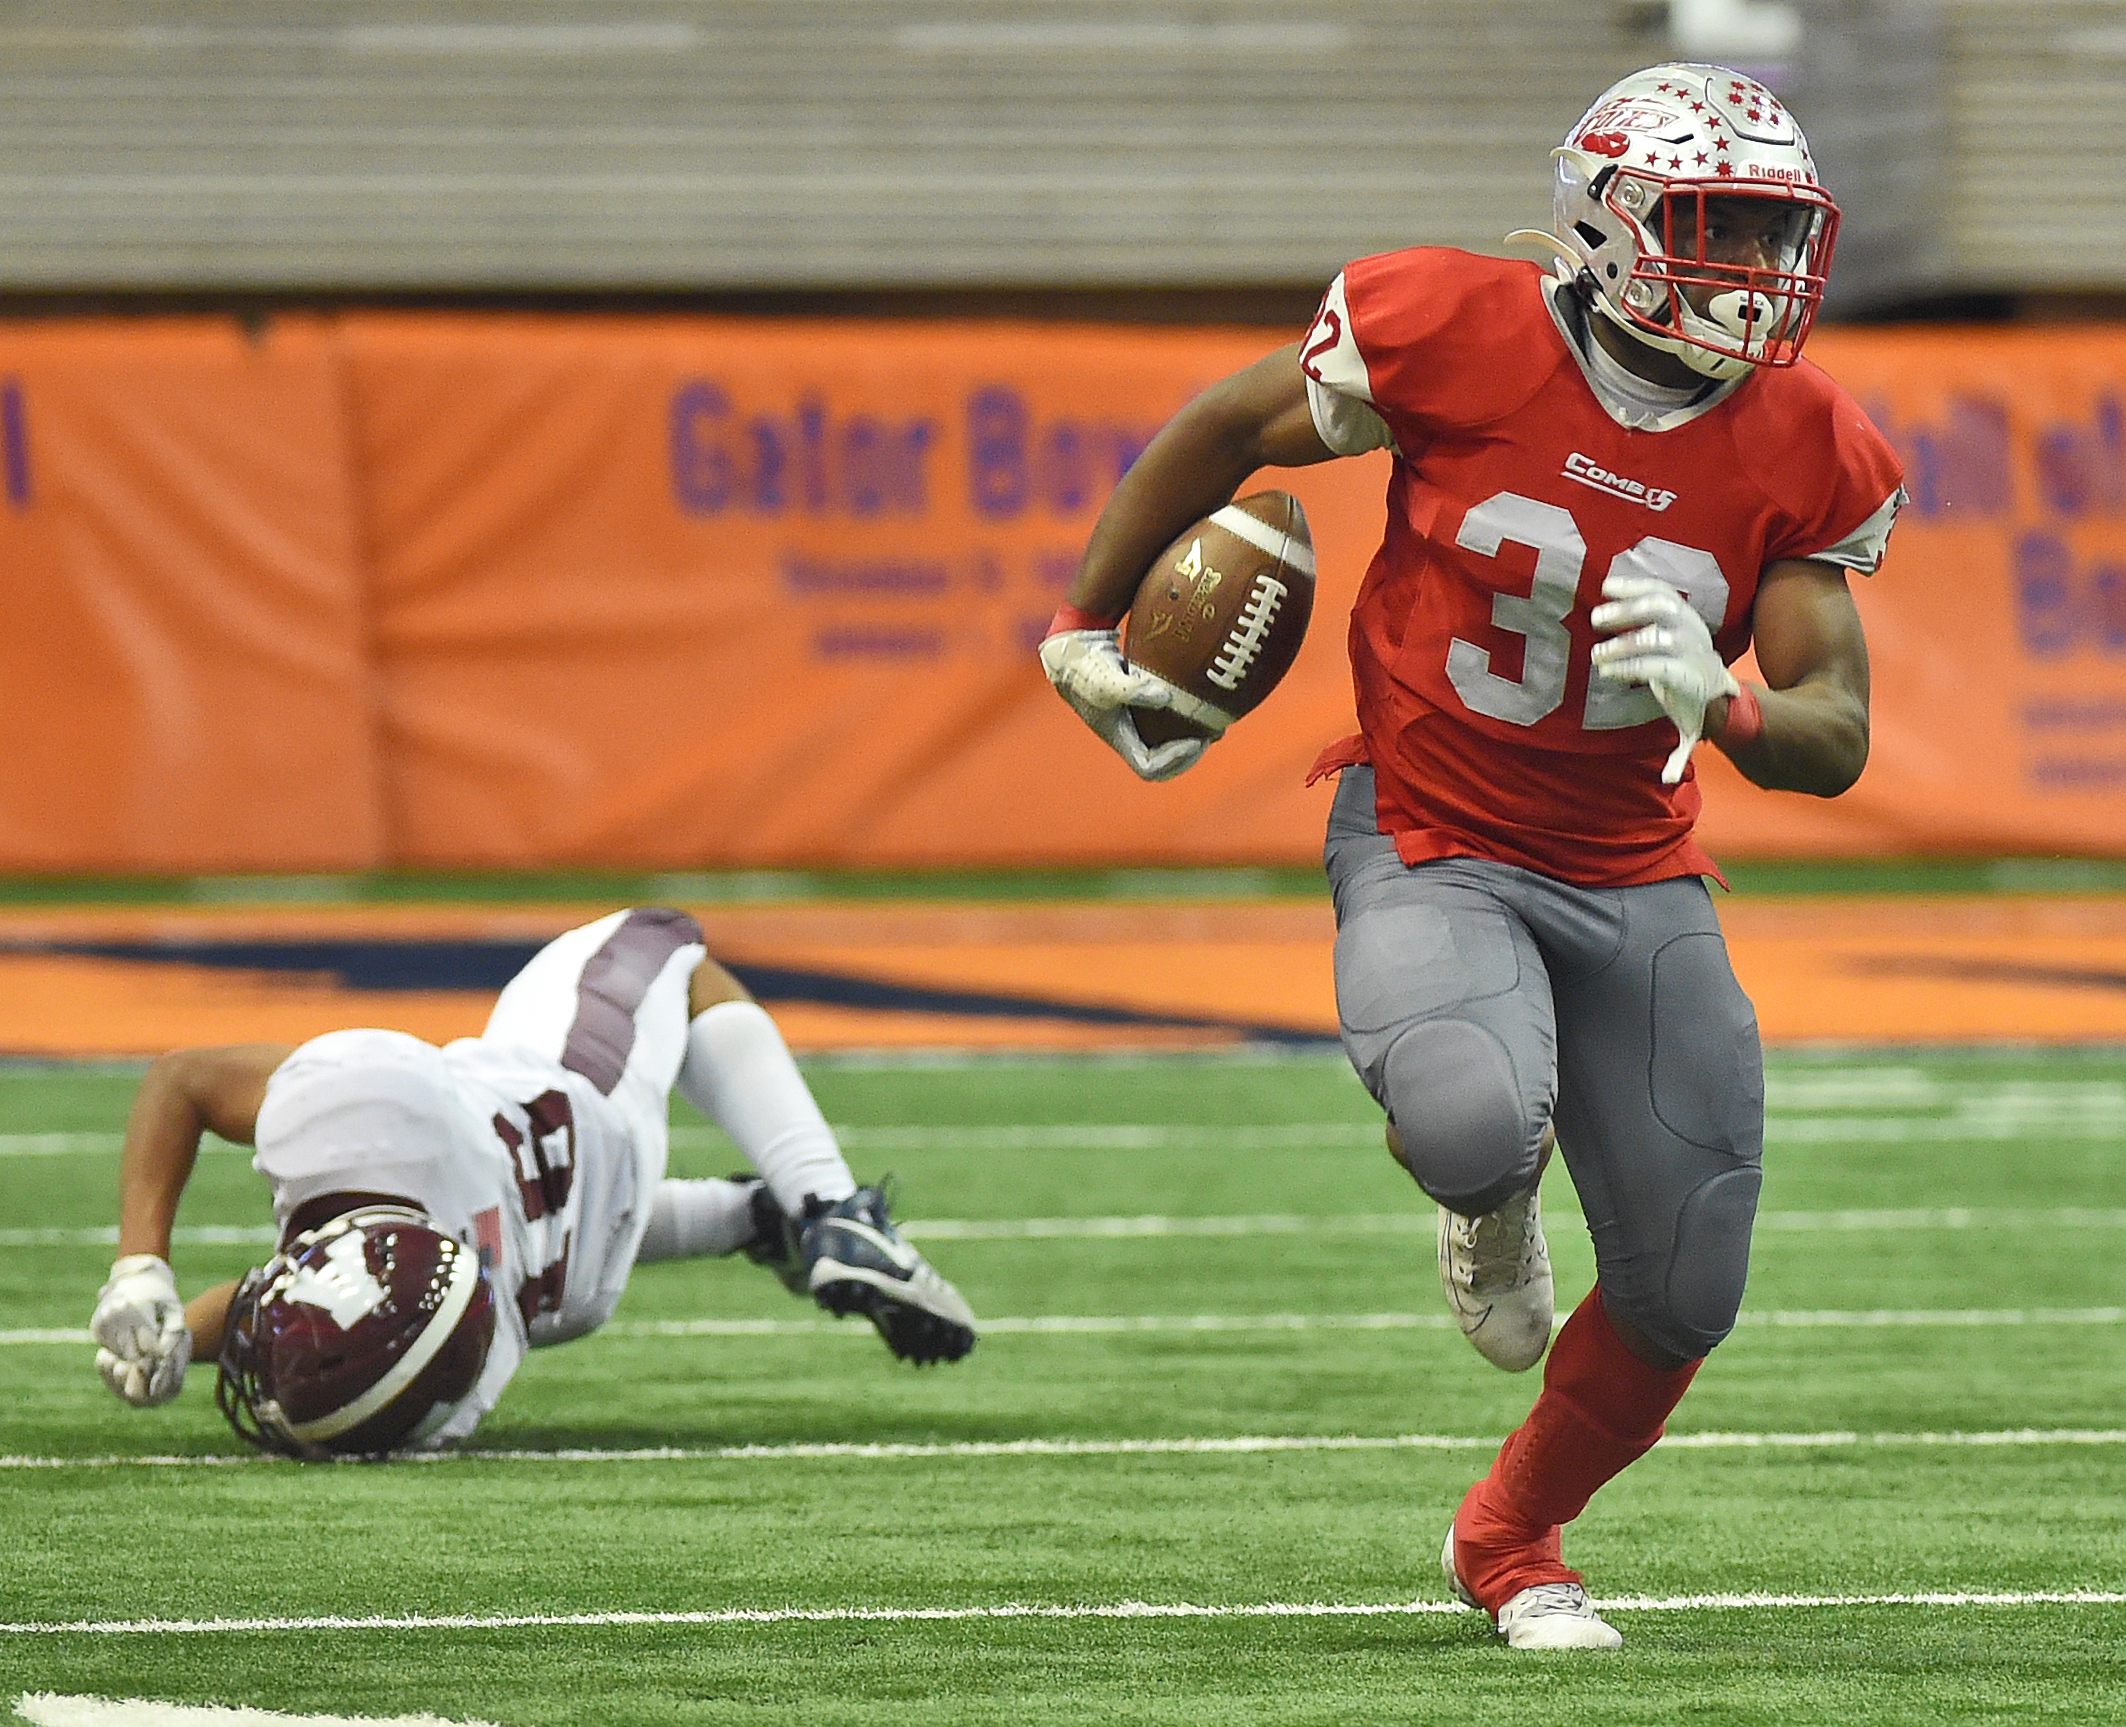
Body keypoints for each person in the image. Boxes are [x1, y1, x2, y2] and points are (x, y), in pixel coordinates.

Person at [1040, 64, 1903, 1648]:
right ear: (1609, 219)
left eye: (1776, 234)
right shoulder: (1453, 324)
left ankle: (1509, 1535)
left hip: (1636, 868)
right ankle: (1488, 1190)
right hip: (1430, 829)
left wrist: (1725, 705)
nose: (1758, 273)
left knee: (1683, 1287)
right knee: (1465, 1116)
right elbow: (1231, 422)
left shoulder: (1802, 439)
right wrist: (1084, 621)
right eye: (1720, 228)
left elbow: (1837, 728)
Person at [89, 907, 977, 1457]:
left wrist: (164, 1313)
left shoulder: (465, 1371)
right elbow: (185, 1080)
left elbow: (331, 1318)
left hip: (576, 1276)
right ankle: (831, 1206)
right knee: (668, 944)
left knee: (603, 1214)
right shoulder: (366, 1111)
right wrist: (142, 1269)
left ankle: (769, 1216)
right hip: (579, 1102)